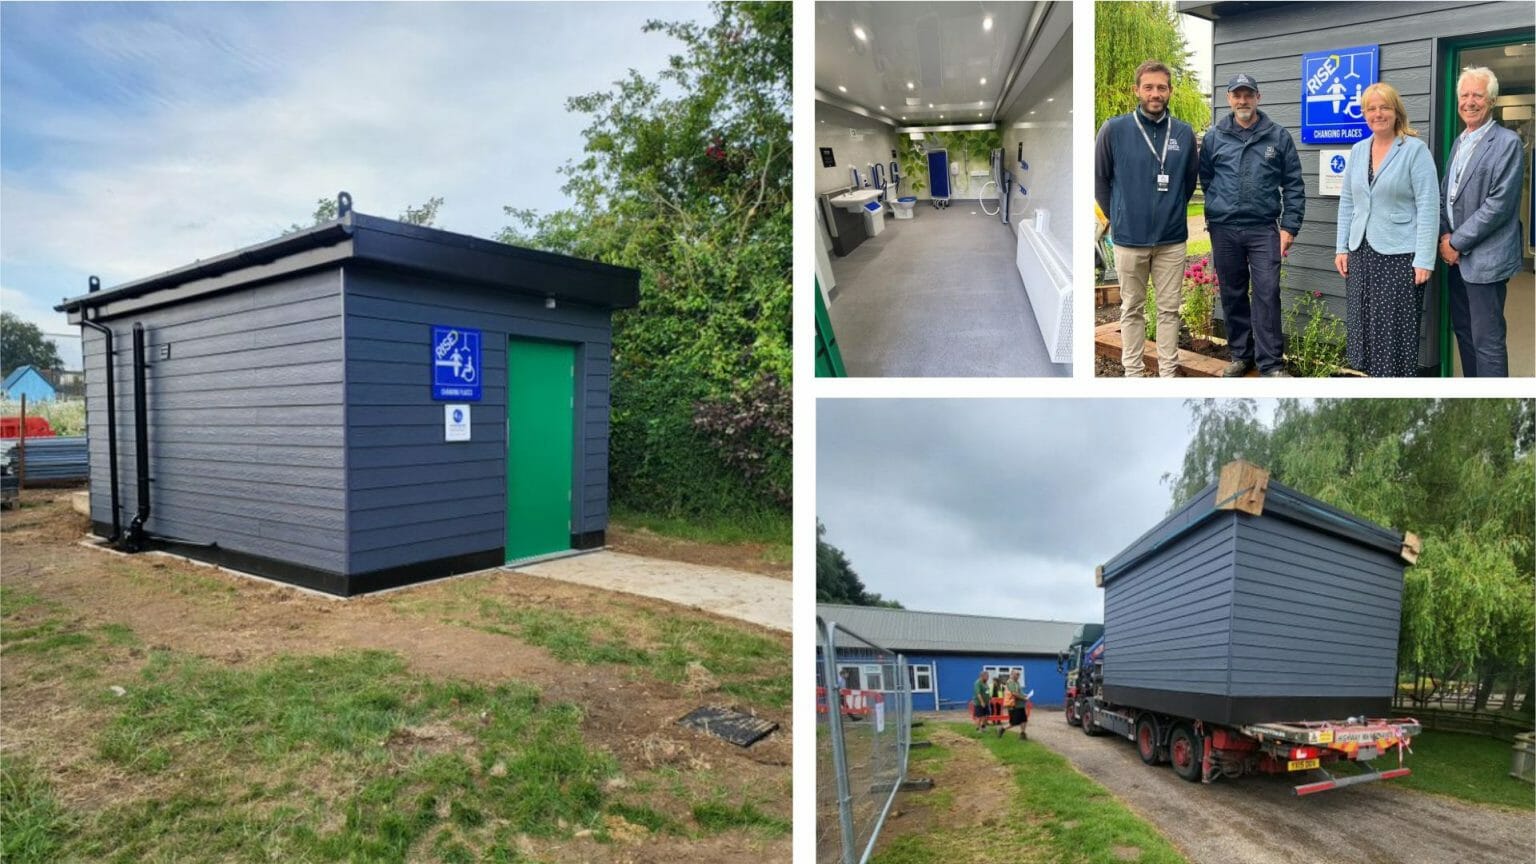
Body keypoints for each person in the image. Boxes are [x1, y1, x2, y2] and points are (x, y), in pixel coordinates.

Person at [1095, 60, 1200, 377]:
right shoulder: (1114, 130)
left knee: (1169, 310)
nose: (1155, 93)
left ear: (1170, 91)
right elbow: (1100, 180)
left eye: (1161, 88)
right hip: (1130, 240)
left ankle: (1168, 373)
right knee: (1132, 309)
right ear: (1137, 90)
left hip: (1171, 240)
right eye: (1149, 87)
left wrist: (1171, 209)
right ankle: (1134, 374)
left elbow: (1188, 182)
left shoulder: (1183, 133)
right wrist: (1118, 217)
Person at [1199, 73, 1305, 378]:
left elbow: (1294, 185)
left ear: (1258, 97)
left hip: (1263, 229)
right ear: (1229, 99)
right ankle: (1241, 355)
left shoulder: (1278, 136)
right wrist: (1219, 209)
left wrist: (1289, 227)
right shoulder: (1214, 137)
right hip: (1224, 228)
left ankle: (1271, 363)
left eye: (1248, 95)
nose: (1243, 100)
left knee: (1267, 293)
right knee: (1232, 293)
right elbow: (1207, 179)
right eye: (1237, 95)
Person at [1334, 82, 1439, 377]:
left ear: (1396, 112)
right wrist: (1342, 247)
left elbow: (1429, 206)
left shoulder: (1414, 150)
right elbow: (1347, 202)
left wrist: (1424, 258)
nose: (1377, 114)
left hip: (1399, 255)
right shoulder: (1358, 150)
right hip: (1361, 252)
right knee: (1365, 324)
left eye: (1384, 107)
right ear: (1364, 114)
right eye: (1371, 108)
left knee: (1394, 327)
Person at [1439, 66, 1525, 377]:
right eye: (1464, 95)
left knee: (1487, 341)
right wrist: (1444, 236)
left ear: (1491, 100)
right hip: (1455, 260)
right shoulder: (1460, 141)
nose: (1469, 102)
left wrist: (1455, 242)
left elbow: (1498, 206)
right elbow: (1446, 194)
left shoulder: (1507, 143)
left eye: (1477, 95)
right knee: (1464, 333)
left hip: (1485, 261)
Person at [998, 669, 1030, 740]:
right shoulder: (1010, 682)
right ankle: (1002, 729)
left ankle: (1022, 734)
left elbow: (1020, 692)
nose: (1018, 676)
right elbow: (1014, 693)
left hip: (1020, 705)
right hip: (1013, 705)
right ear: (1012, 674)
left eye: (1019, 674)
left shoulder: (1017, 682)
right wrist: (1024, 698)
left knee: (1024, 720)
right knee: (1014, 722)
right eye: (1017, 674)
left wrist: (1026, 695)